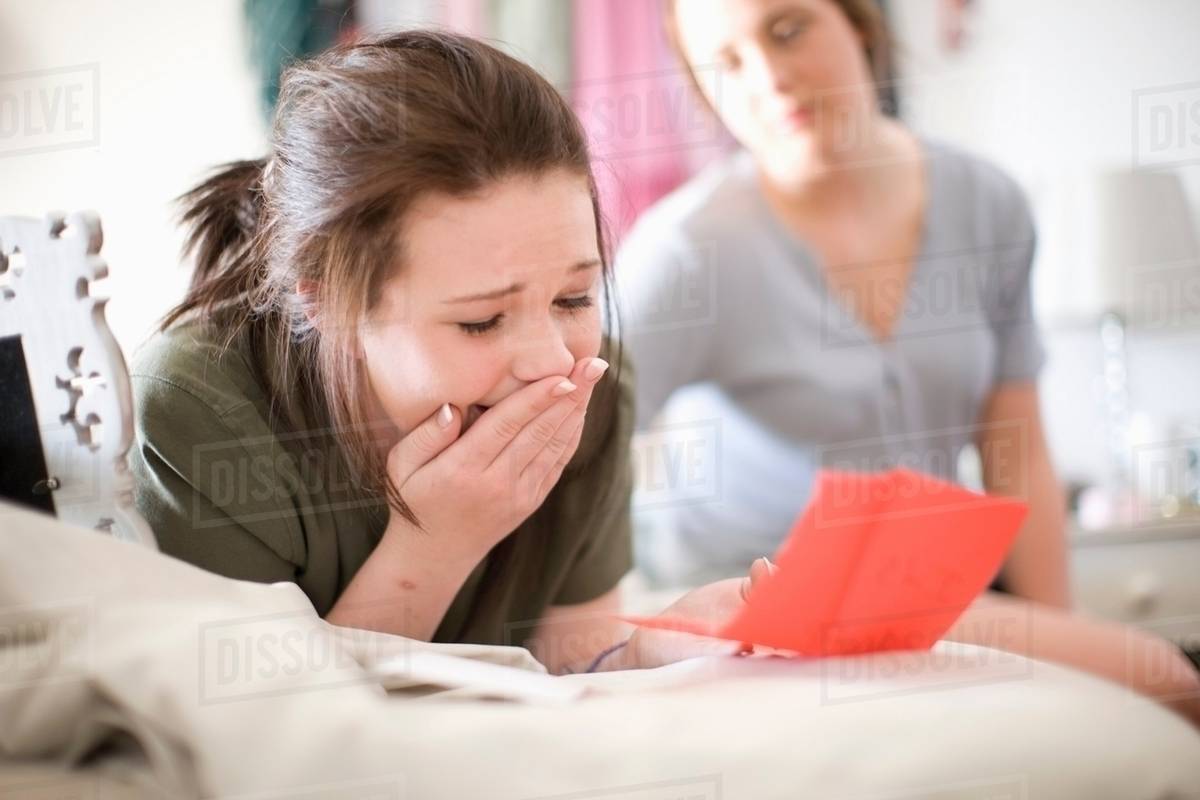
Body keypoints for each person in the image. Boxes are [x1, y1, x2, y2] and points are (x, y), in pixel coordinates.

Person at [128, 29, 769, 676]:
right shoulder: (198, 414)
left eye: (574, 298)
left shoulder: (598, 383)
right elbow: (258, 740)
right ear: (329, 306)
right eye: (482, 321)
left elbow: (569, 656)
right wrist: (436, 545)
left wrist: (648, 650)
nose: (551, 362)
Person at [618, 0, 1069, 608]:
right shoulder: (687, 249)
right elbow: (576, 454)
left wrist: (1056, 626)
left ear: (858, 22)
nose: (770, 78)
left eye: (789, 30)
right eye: (727, 62)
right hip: (749, 614)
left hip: (922, 598)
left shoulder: (988, 202)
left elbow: (1018, 452)